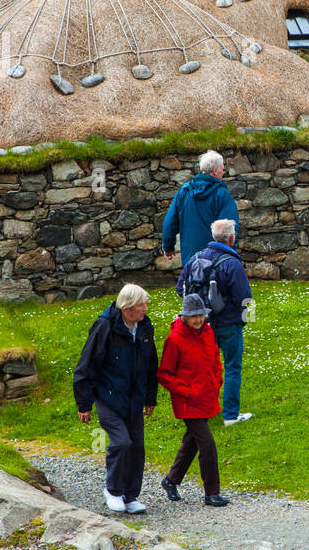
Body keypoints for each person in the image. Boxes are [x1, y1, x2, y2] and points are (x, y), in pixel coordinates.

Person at [73, 284, 158, 514]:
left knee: (137, 447)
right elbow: (86, 365)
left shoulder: (145, 326)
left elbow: (151, 364)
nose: (145, 308)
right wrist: (84, 404)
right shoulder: (105, 327)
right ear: (127, 308)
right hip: (108, 398)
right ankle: (113, 490)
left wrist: (150, 398)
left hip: (135, 399)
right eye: (141, 305)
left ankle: (130, 496)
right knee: (122, 443)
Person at [178, 218, 253, 426]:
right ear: (231, 238)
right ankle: (230, 415)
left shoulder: (195, 259)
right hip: (229, 323)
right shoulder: (232, 263)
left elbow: (180, 289)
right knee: (232, 367)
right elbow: (244, 296)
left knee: (204, 369)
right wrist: (244, 316)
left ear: (212, 236)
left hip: (201, 325)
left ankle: (201, 411)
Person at [157, 294, 229, 507]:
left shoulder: (208, 332)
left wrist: (217, 380)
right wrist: (187, 391)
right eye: (193, 316)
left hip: (206, 396)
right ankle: (211, 493)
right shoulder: (174, 340)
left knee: (191, 442)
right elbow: (164, 374)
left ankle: (171, 480)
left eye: (201, 315)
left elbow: (215, 359)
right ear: (185, 317)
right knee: (207, 445)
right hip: (188, 402)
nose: (198, 320)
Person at [161, 150, 240, 264]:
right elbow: (229, 227)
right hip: (216, 260)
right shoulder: (222, 194)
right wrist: (230, 252)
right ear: (215, 171)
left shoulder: (184, 191)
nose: (224, 172)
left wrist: (168, 247)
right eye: (222, 169)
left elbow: (169, 222)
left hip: (191, 259)